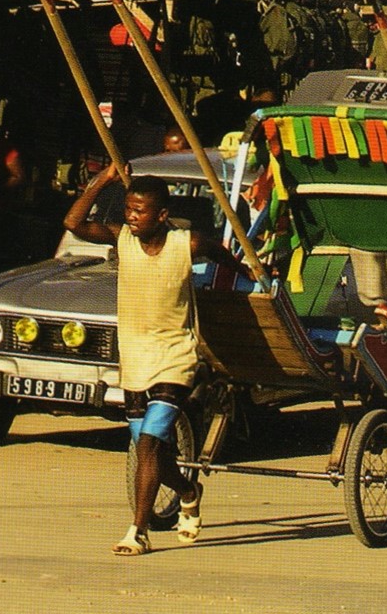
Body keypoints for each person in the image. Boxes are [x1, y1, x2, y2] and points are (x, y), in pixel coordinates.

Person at [63, 163, 253, 554]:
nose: (131, 217)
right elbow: (74, 222)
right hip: (134, 356)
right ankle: (187, 489)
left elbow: (224, 256)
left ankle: (138, 531)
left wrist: (249, 272)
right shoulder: (122, 240)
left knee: (149, 441)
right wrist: (104, 180)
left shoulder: (188, 243)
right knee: (152, 450)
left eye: (139, 211)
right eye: (128, 210)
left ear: (162, 215)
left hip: (175, 354)